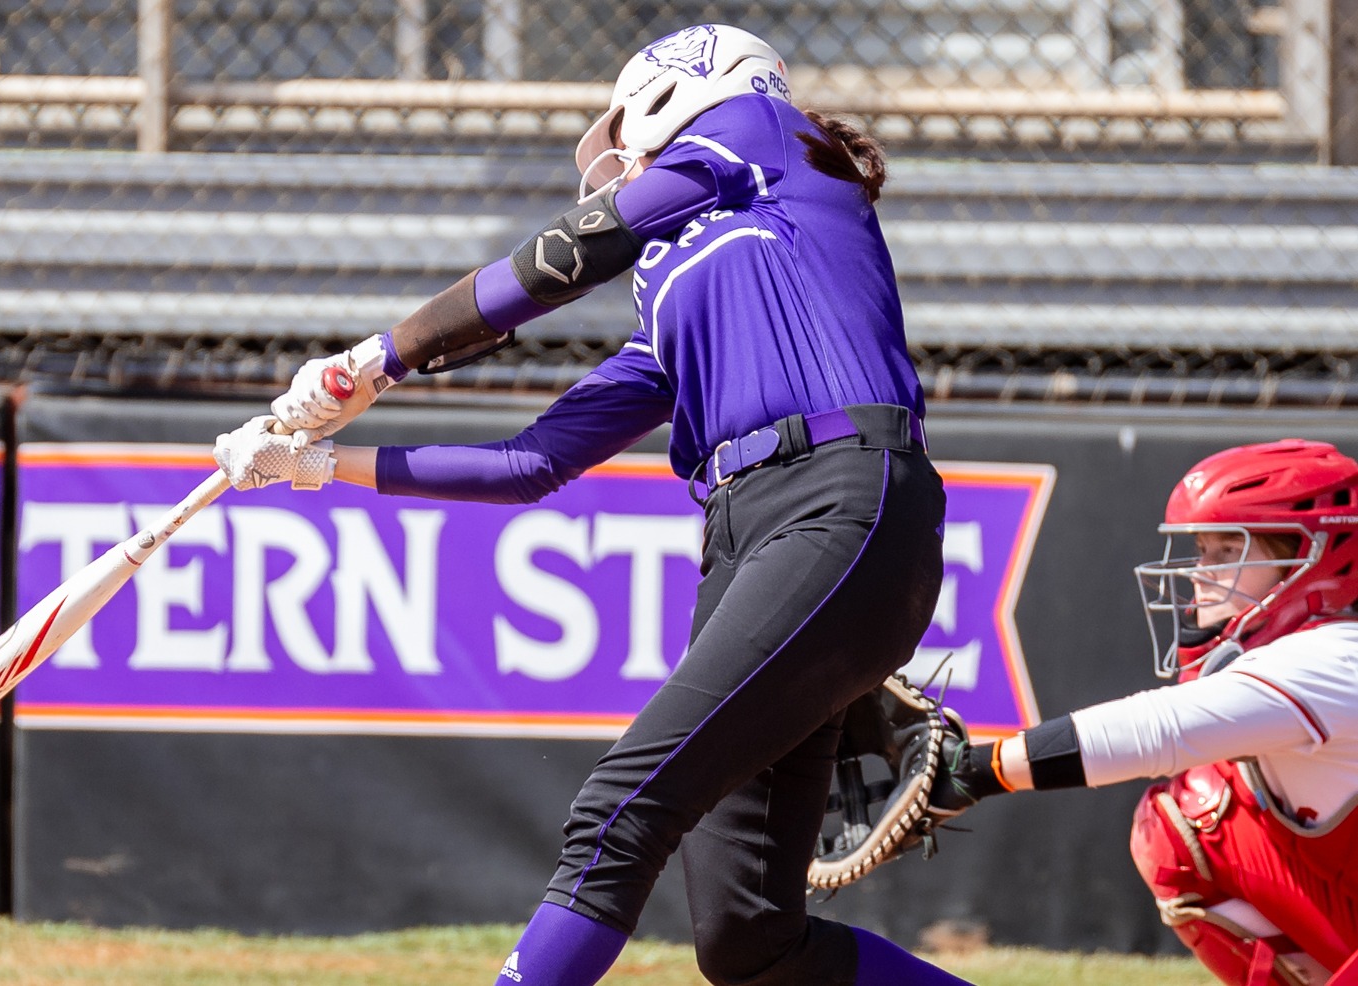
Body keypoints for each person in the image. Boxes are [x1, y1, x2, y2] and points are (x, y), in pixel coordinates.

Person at [213, 23, 966, 986]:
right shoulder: (682, 297)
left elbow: (573, 250)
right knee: (748, 941)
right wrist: (311, 465)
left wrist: (379, 357)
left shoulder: (761, 134)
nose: (626, 165)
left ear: (679, 90)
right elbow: (526, 465)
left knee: (618, 809)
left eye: (632, 140)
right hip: (754, 535)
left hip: (837, 499)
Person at [928, 439, 1358, 986]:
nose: (1202, 573)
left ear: (1315, 559)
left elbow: (1158, 730)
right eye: (1203, 550)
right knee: (1189, 818)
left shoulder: (1338, 656)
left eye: (1229, 552)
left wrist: (976, 771)